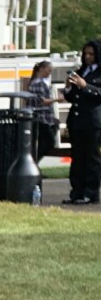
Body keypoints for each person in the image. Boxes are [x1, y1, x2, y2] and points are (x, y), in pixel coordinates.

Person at [62, 40, 101, 204]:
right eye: (86, 54)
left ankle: (90, 193)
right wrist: (68, 88)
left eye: (91, 54)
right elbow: (72, 97)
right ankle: (77, 192)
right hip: (77, 121)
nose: (87, 57)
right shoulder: (81, 71)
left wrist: (86, 86)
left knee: (91, 158)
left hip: (93, 121)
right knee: (77, 158)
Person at [26, 60, 59, 161]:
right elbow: (42, 101)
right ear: (42, 69)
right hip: (41, 118)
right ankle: (34, 162)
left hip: (42, 118)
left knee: (41, 143)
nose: (50, 73)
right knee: (49, 142)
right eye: (49, 70)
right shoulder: (38, 83)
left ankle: (34, 162)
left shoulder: (36, 82)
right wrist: (57, 99)